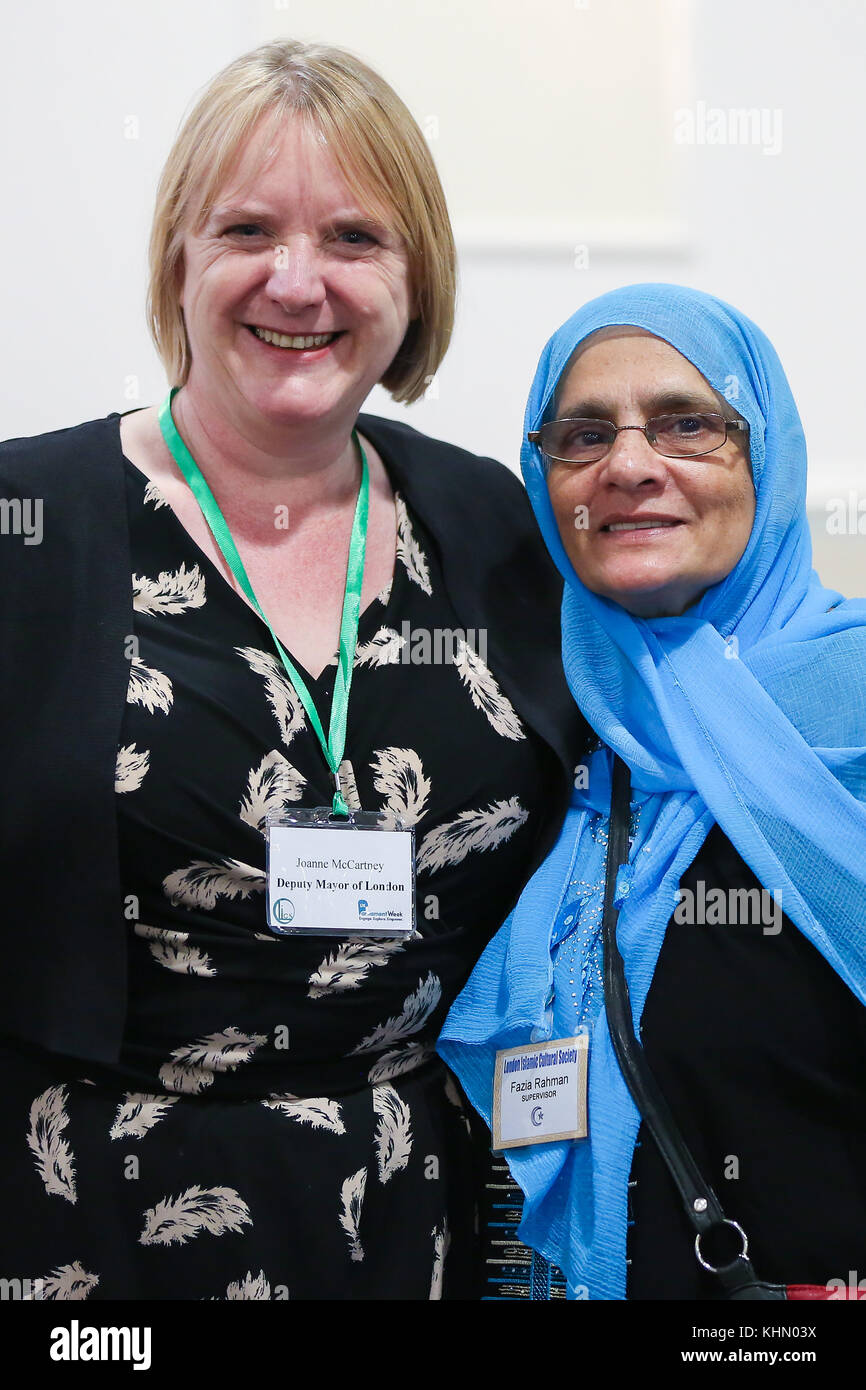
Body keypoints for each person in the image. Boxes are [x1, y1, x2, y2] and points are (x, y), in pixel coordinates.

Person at [0, 40, 585, 1300]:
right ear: (179, 260)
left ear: (414, 278)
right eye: (248, 228)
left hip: (408, 1215)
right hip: (82, 1223)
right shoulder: (27, 522)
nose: (298, 280)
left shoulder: (492, 529)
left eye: (355, 238)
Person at [439, 283, 866, 1301]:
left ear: (766, 453)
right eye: (581, 435)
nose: (628, 465)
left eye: (686, 423)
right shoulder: (515, 728)